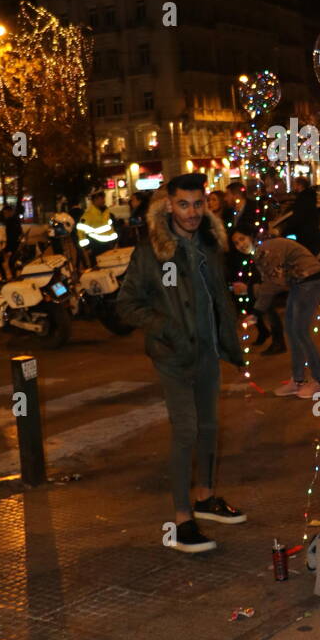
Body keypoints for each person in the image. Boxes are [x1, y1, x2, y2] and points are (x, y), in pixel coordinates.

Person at [116, 174, 246, 554]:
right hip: (174, 355)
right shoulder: (151, 252)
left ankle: (205, 497)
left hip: (207, 351)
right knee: (186, 430)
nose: (192, 212)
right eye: (184, 204)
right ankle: (181, 519)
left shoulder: (210, 244)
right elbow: (126, 305)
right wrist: (166, 327)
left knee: (209, 427)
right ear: (169, 205)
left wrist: (230, 328)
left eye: (198, 204)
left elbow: (215, 296)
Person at [232, 231, 320, 397]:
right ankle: (298, 380)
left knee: (300, 332)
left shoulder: (266, 250)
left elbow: (275, 283)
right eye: (236, 243)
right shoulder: (261, 251)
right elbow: (272, 283)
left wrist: (250, 295)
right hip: (299, 283)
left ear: (251, 237)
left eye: (242, 238)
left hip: (309, 281)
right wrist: (256, 312)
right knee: (291, 331)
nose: (241, 244)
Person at [273, 176, 320, 255]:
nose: (293, 187)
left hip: (307, 238)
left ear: (300, 186)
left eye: (294, 184)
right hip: (312, 237)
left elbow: (297, 218)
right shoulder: (308, 198)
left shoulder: (303, 200)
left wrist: (285, 232)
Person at [76, 189, 119, 264]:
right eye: (101, 199)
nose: (104, 201)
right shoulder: (88, 216)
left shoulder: (107, 213)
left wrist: (115, 242)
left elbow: (112, 228)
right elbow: (81, 233)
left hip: (109, 246)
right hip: (95, 248)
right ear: (95, 200)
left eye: (103, 198)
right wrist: (87, 248)